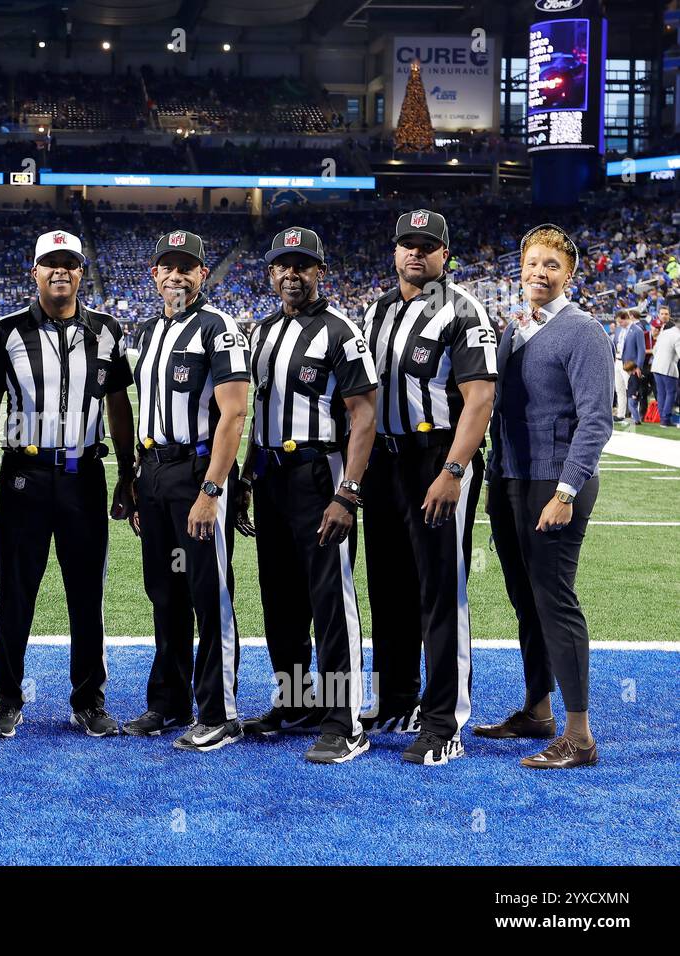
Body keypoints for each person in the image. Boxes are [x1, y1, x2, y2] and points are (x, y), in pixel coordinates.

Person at [0, 229, 135, 739]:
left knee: (87, 595)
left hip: (84, 474)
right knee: (15, 592)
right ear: (35, 271)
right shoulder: (6, 331)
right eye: (51, 263)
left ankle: (88, 699)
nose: (60, 271)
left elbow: (120, 406)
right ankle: (7, 697)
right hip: (23, 474)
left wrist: (127, 475)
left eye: (70, 263)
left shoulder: (108, 332)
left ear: (82, 271)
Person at [358, 210, 498, 765]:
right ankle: (398, 698)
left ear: (445, 253)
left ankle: (445, 720)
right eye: (406, 245)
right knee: (388, 584)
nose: (415, 254)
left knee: (441, 589)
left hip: (436, 457)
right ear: (394, 252)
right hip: (386, 463)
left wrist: (454, 470)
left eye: (427, 246)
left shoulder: (463, 310)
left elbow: (481, 398)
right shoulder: (378, 310)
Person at [235, 226, 378, 765]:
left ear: (321, 271)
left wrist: (348, 493)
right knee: (281, 598)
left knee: (331, 599)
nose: (291, 274)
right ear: (271, 273)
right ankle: (297, 703)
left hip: (321, 474)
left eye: (302, 265)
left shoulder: (341, 331)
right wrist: (248, 477)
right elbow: (257, 415)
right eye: (281, 265)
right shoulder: (263, 330)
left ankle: (345, 721)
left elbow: (363, 416)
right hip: (272, 476)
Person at [478, 223, 613, 769]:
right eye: (532, 263)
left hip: (553, 484)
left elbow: (596, 420)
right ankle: (537, 711)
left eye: (552, 266)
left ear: (570, 275)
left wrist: (566, 489)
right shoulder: (516, 330)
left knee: (554, 602)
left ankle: (579, 737)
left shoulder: (583, 332)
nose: (539, 273)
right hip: (510, 480)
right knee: (526, 603)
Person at [123, 230, 251, 752]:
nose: (176, 275)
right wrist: (137, 478)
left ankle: (219, 711)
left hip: (197, 472)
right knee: (165, 592)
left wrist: (212, 489)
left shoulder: (218, 328)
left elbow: (234, 413)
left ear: (203, 274)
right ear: (154, 275)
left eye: (187, 267)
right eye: (167, 267)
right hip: (155, 471)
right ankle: (169, 702)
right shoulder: (151, 329)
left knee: (208, 591)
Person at [651, 308, 678, 426]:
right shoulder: (677, 335)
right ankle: (666, 419)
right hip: (668, 368)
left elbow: (654, 350)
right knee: (671, 393)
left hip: (656, 366)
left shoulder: (664, 332)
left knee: (661, 393)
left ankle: (663, 418)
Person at [620, 311, 648, 424]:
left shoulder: (637, 330)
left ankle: (635, 417)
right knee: (623, 390)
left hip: (632, 366)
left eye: (621, 321)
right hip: (623, 364)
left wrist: (638, 366)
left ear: (628, 318)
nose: (620, 324)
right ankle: (625, 415)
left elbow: (641, 350)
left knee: (634, 391)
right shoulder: (621, 330)